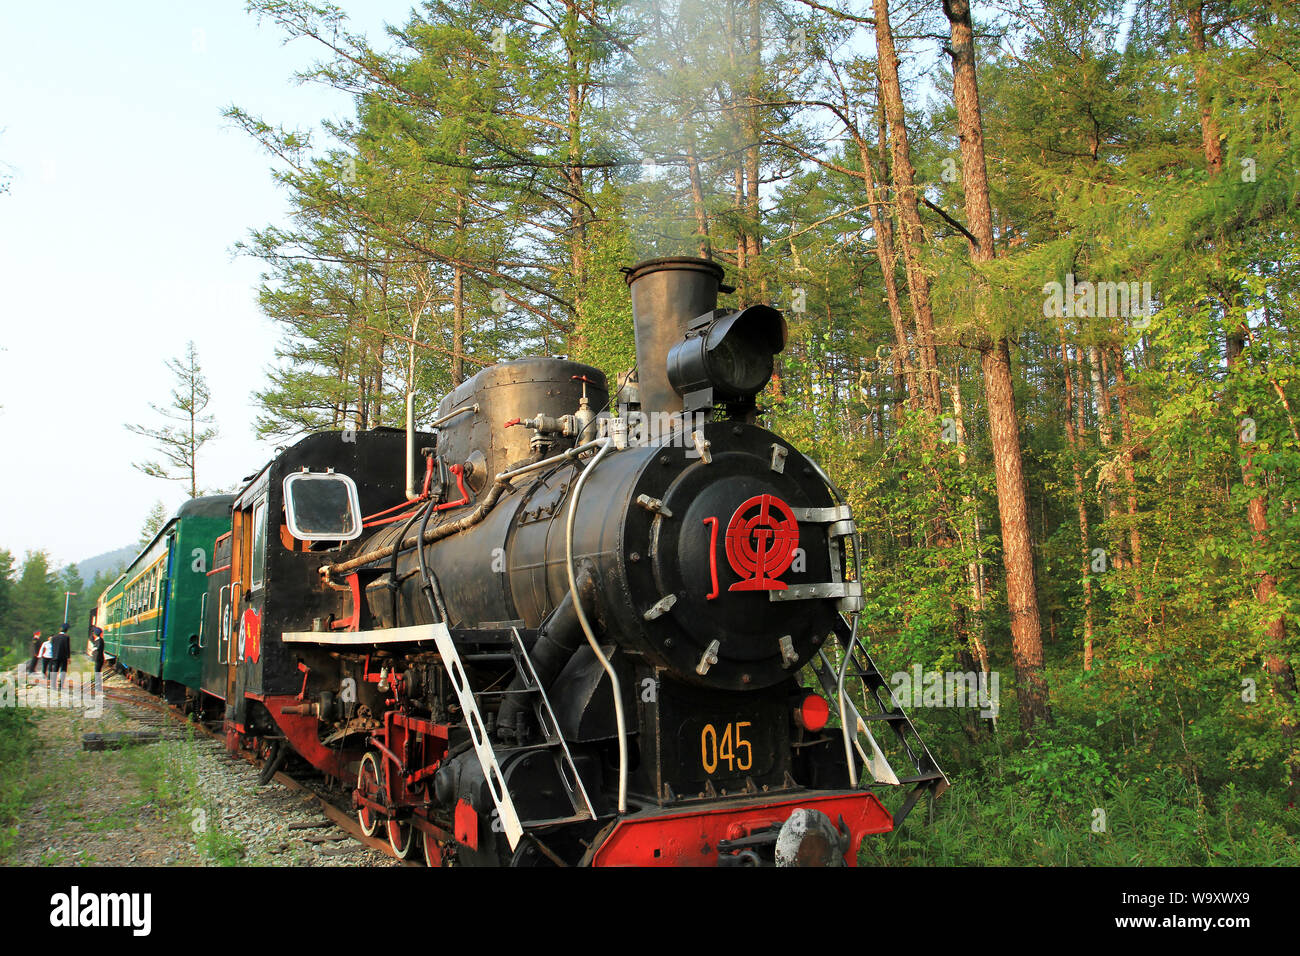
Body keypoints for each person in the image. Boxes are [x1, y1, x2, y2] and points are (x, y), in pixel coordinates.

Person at [51, 623, 71, 692]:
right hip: (63, 657)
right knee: (63, 670)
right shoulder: (66, 637)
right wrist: (68, 657)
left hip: (55, 657)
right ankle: (61, 685)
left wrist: (53, 656)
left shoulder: (54, 637)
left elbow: (52, 647)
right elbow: (67, 648)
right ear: (66, 630)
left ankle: (53, 685)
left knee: (55, 670)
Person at [89, 625, 105, 697]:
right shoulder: (97, 640)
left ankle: (98, 688)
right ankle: (97, 687)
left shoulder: (100, 641)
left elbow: (97, 649)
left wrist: (93, 649)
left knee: (97, 673)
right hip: (98, 659)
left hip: (99, 659)